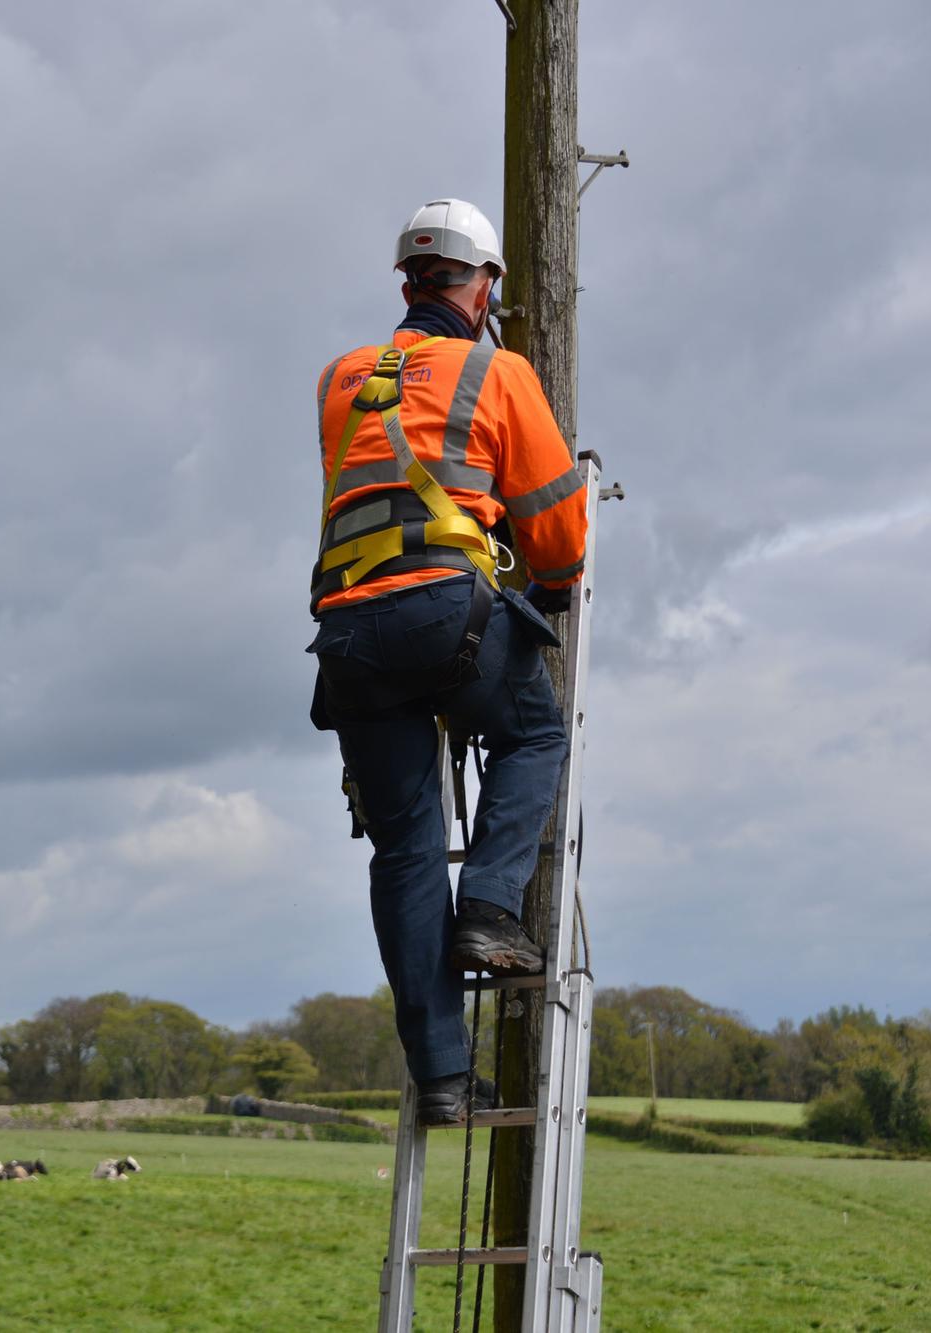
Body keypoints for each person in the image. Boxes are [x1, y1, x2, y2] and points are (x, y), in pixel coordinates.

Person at [306, 199, 588, 1126]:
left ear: (408, 284)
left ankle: (440, 1073)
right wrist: (552, 587)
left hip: (347, 631)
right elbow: (554, 515)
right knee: (534, 732)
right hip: (443, 612)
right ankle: (492, 910)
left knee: (405, 845)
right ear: (483, 286)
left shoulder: (340, 378)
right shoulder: (495, 370)